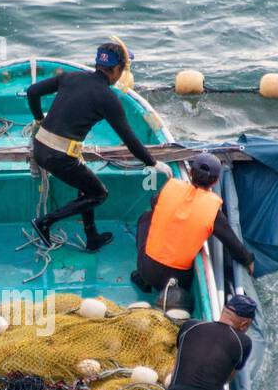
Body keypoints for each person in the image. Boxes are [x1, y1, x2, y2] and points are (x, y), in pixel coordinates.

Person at [26, 43, 172, 252]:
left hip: (40, 148)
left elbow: (32, 92)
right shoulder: (107, 98)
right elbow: (130, 140)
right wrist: (153, 163)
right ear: (116, 70)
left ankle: (92, 237)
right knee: (98, 194)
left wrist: (39, 119)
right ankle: (46, 222)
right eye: (122, 71)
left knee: (85, 184)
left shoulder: (70, 77)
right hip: (59, 158)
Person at [131, 152, 256, 295]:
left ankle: (143, 279)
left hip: (147, 270)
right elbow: (233, 243)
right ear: (215, 181)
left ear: (190, 173)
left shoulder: (170, 187)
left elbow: (154, 204)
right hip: (178, 281)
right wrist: (248, 260)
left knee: (146, 218)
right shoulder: (213, 210)